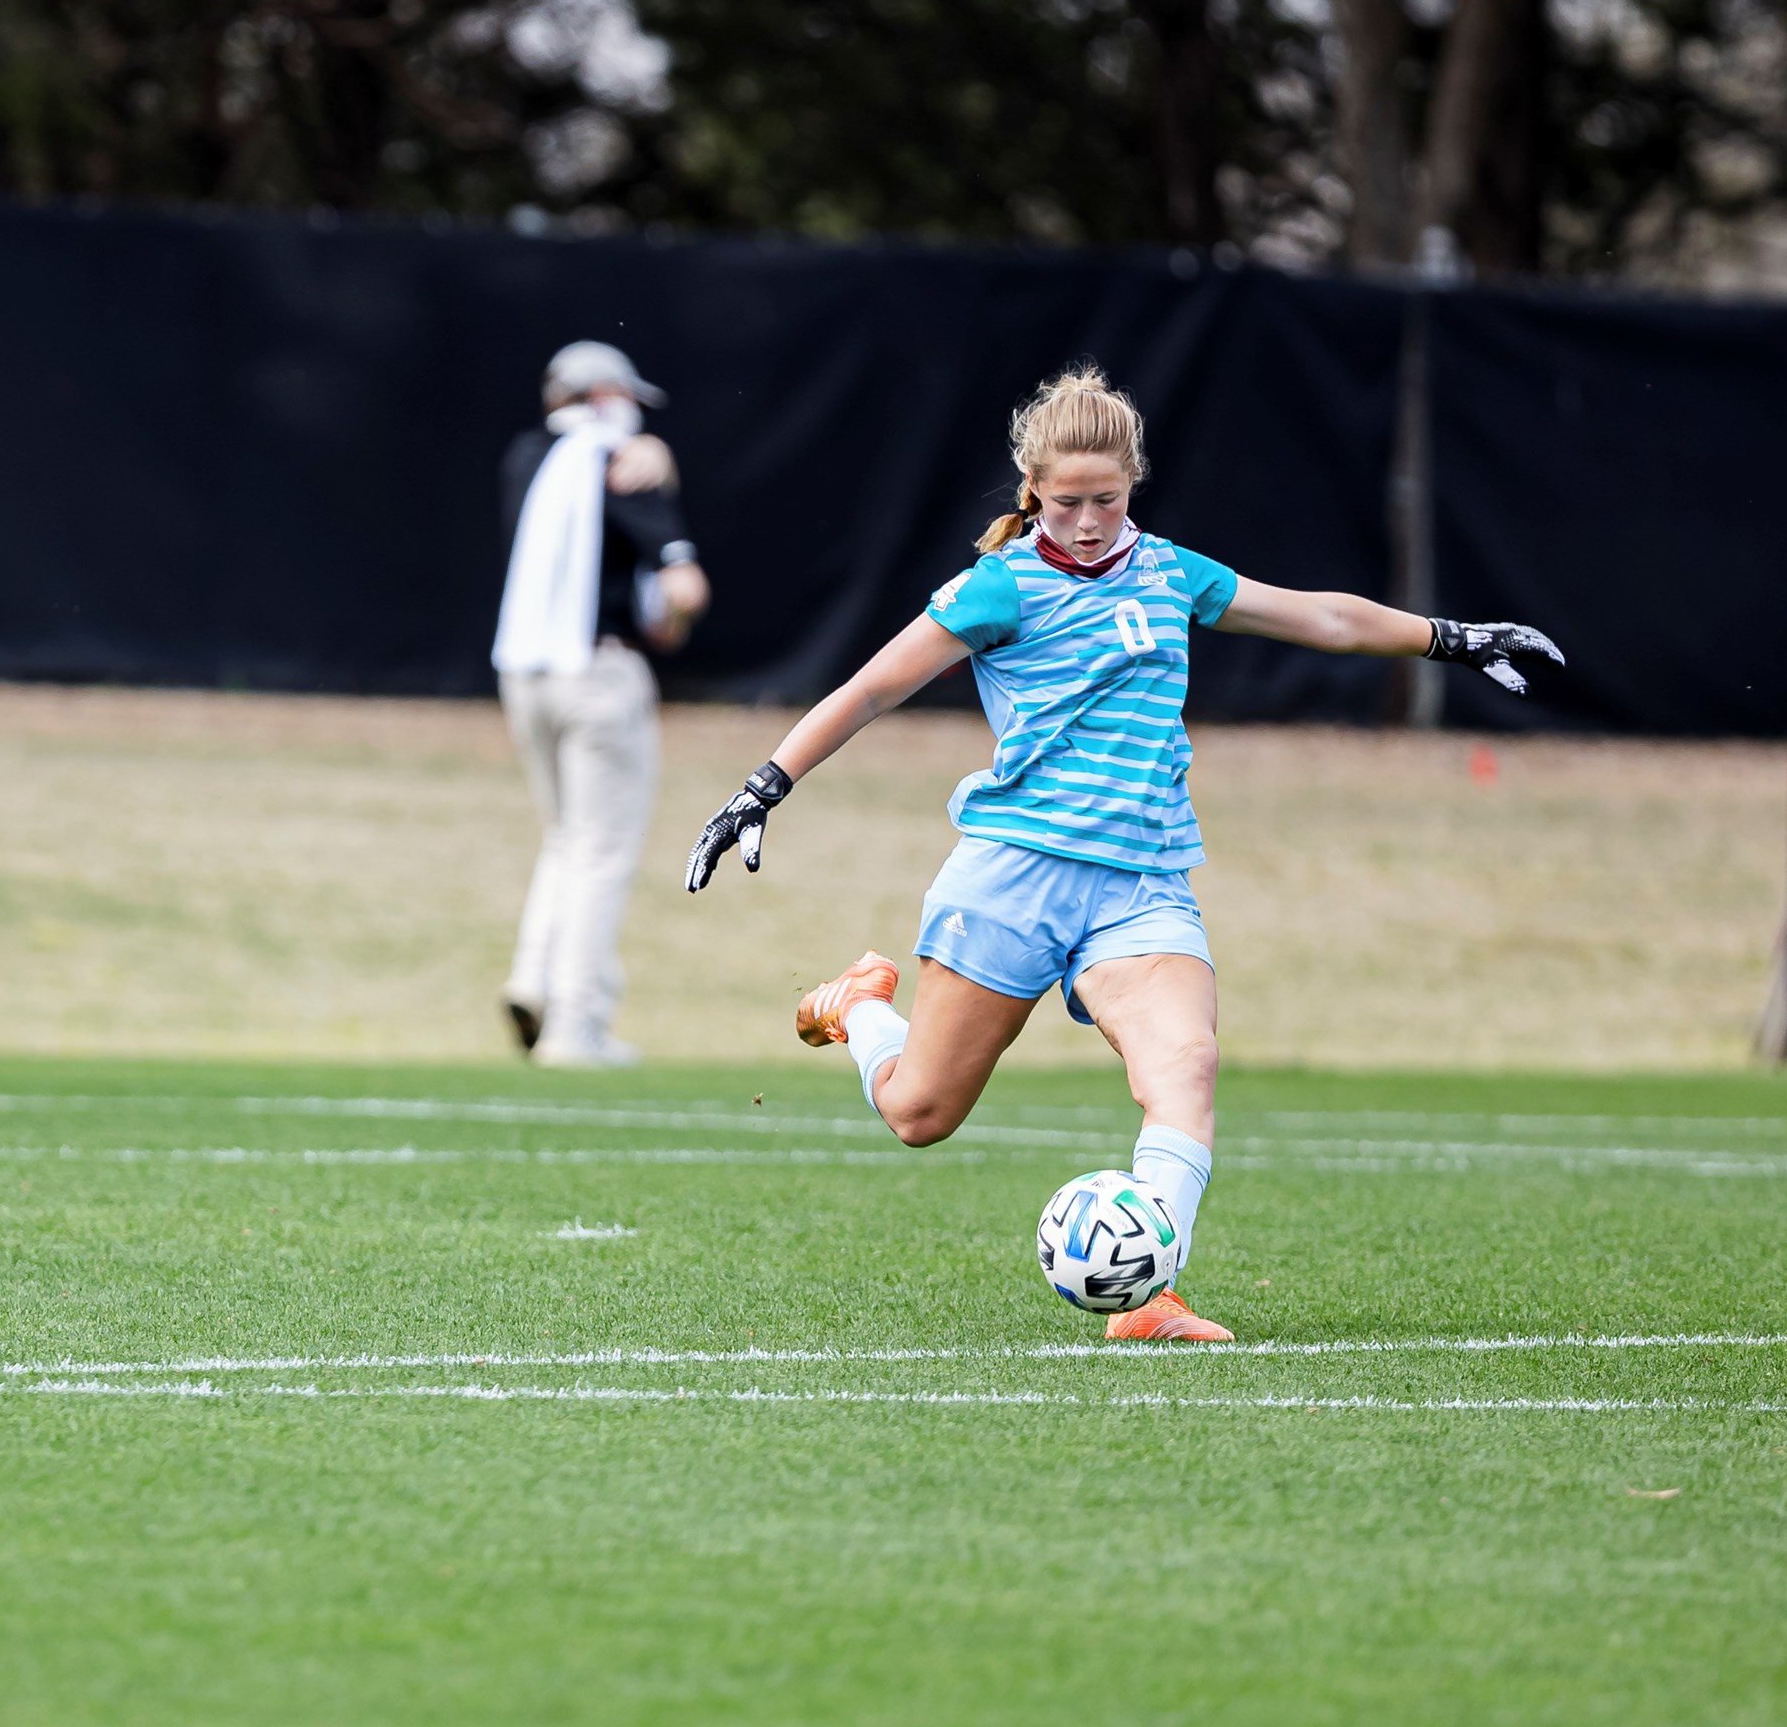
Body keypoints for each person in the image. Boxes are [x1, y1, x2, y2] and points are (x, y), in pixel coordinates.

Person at [681, 365, 1559, 1339]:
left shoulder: (1175, 572)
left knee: (1185, 1064)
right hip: (1013, 876)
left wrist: (1452, 636)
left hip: (1141, 884)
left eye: (1106, 499)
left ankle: (1150, 1296)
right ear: (1032, 492)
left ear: (1133, 482)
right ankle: (858, 1006)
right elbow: (870, 689)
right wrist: (764, 786)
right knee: (920, 1112)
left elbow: (1326, 617)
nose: (1089, 520)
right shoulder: (998, 586)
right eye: (1066, 503)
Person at [494, 340, 711, 1066]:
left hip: (524, 675)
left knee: (564, 836)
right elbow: (683, 590)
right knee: (602, 851)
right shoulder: (628, 460)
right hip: (599, 671)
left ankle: (534, 981)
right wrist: (675, 616)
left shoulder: (526, 460)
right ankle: (573, 1027)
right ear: (606, 395)